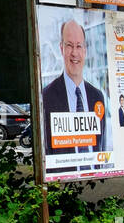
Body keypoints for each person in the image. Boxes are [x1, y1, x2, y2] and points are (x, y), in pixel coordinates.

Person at [41, 19, 109, 155]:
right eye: (69, 45)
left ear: (85, 50)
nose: (74, 53)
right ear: (61, 48)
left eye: (78, 46)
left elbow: (102, 147)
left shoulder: (97, 96)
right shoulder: (46, 97)